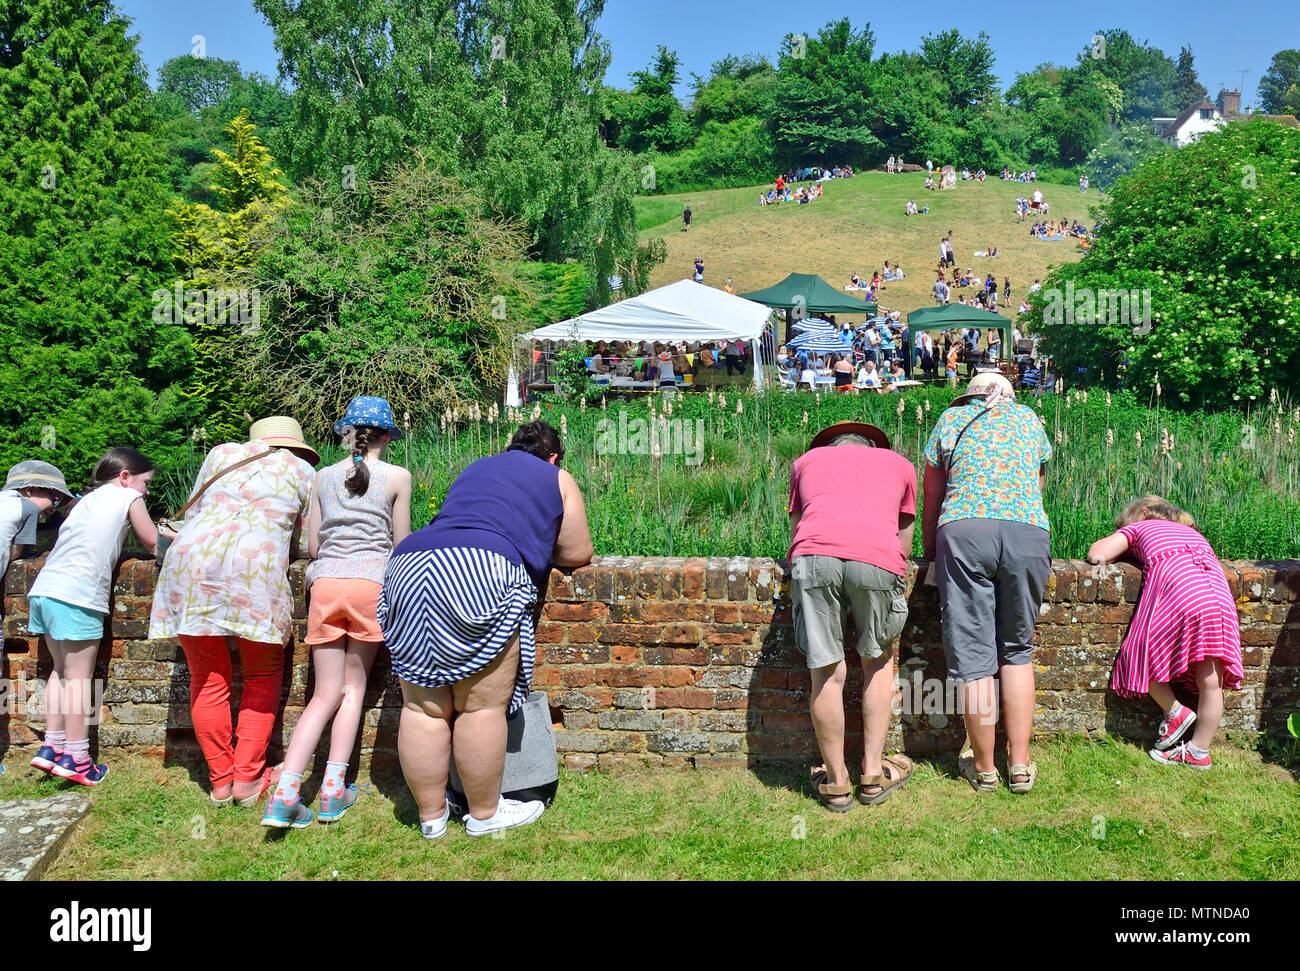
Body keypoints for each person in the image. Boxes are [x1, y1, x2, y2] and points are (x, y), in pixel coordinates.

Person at [380, 421, 592, 837]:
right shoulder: (556, 476)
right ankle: (482, 815)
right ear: (553, 456)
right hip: (481, 567)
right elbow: (578, 552)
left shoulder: (477, 466)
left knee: (421, 708)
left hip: (410, 562)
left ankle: (431, 818)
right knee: (480, 707)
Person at [150, 417, 318, 806]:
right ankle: (247, 781)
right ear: (295, 445)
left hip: (191, 563)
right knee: (262, 674)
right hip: (253, 569)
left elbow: (192, 515)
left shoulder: (219, 454)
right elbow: (307, 542)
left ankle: (221, 783)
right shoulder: (304, 470)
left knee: (207, 679)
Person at [262, 399, 412, 828]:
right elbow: (400, 545)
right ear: (386, 437)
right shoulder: (397, 477)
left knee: (323, 695)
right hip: (371, 585)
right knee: (353, 689)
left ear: (345, 434)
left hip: (325, 584)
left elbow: (313, 547)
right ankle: (332, 790)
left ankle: (285, 793)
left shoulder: (321, 477)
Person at [922, 373, 1052, 794]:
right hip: (1027, 532)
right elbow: (1037, 487)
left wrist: (929, 551)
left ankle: (983, 770)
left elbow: (933, 494)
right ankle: (1019, 765)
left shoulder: (951, 420)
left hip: (965, 530)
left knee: (974, 658)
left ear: (969, 396)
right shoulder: (1031, 420)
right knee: (1017, 650)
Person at [789, 421, 916, 810]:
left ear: (829, 446)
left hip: (815, 557)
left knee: (825, 670)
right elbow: (905, 544)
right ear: (873, 446)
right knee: (877, 662)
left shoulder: (805, 462)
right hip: (877, 558)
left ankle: (837, 783)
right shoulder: (900, 465)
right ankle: (873, 776)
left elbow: (796, 528)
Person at [28, 448, 158, 786]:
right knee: (79, 679)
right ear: (127, 477)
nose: (146, 491)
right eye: (146, 483)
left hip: (45, 590)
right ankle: (78, 758)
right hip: (78, 594)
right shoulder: (128, 495)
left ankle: (51, 747)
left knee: (60, 672)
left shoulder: (85, 500)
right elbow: (152, 543)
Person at [1087, 496, 1243, 770]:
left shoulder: (1139, 528)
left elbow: (1097, 554)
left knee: (1140, 653)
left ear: (1144, 512)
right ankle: (1198, 751)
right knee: (1211, 682)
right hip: (1219, 596)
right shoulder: (1193, 534)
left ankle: (1175, 711)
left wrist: (1128, 542)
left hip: (1184, 592)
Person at [1, 460, 74, 581]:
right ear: (29, 489)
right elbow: (14, 554)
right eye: (55, 499)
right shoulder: (29, 509)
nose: (53, 510)